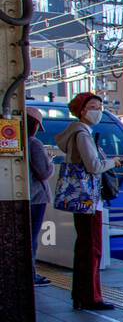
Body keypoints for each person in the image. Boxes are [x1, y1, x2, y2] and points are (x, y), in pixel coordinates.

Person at [55, 92, 123, 311]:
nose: (98, 110)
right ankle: (91, 298)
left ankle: (80, 295)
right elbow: (94, 167)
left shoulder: (76, 133)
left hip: (81, 199)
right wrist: (116, 162)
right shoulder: (82, 134)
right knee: (92, 249)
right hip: (89, 200)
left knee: (85, 248)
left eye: (100, 106)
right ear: (82, 111)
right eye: (93, 107)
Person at [26, 106, 53, 286]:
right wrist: (50, 161)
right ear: (35, 125)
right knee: (32, 238)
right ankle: (31, 274)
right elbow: (43, 172)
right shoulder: (33, 143)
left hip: (27, 196)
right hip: (36, 197)